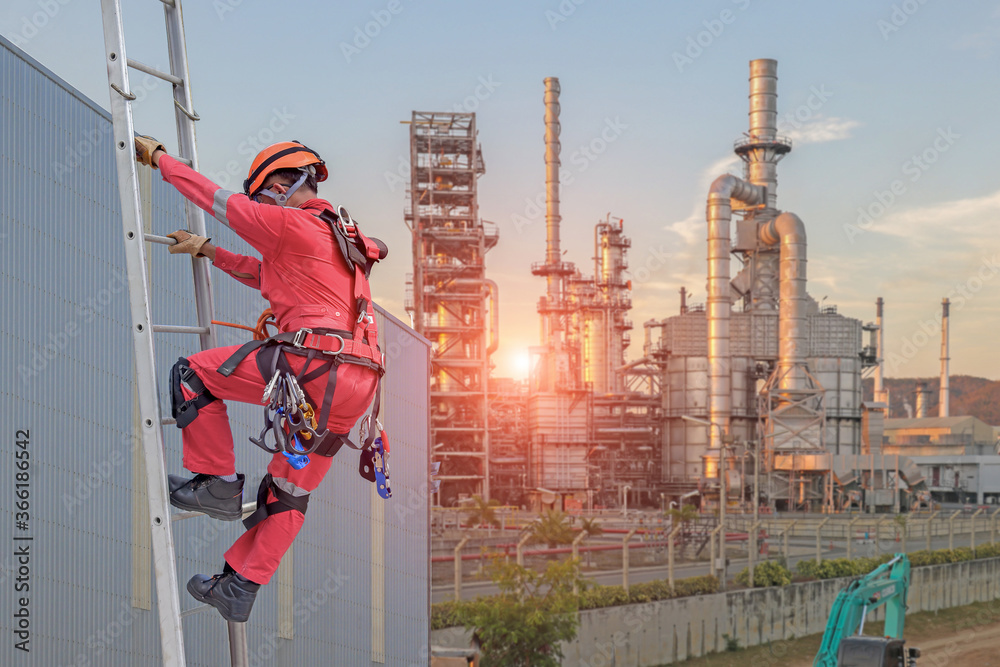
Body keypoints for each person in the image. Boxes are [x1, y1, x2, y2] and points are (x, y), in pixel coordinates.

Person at [133, 137, 386, 622]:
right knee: (289, 490)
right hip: (359, 386)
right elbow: (265, 274)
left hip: (313, 369)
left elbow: (214, 198)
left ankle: (219, 483)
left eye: (262, 199)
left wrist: (160, 158)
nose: (259, 208)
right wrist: (209, 251)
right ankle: (238, 586)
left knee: (194, 374)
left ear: (277, 185)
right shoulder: (340, 239)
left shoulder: (289, 221)